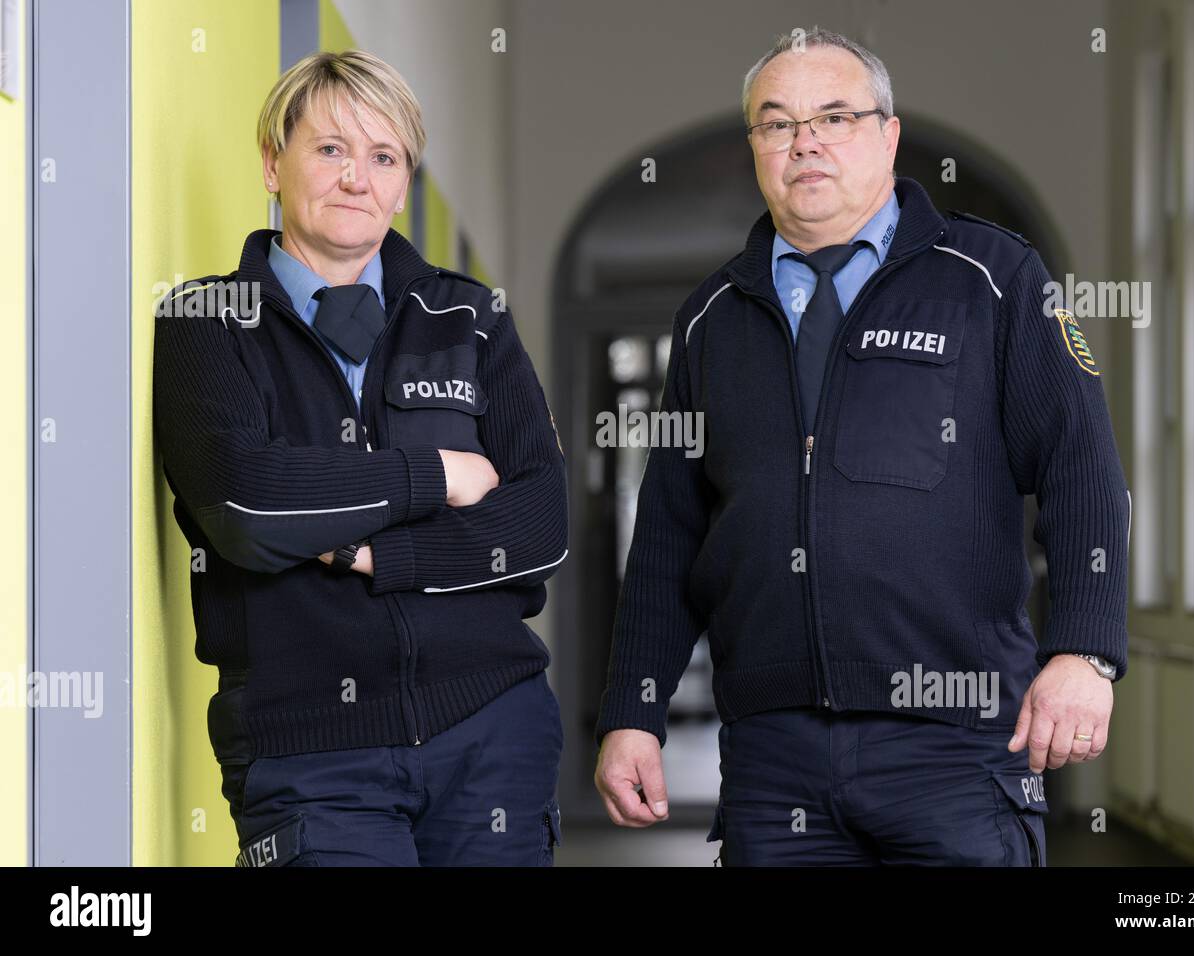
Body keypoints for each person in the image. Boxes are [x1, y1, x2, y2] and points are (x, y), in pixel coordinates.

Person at [593, 27, 1129, 866]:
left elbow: (1083, 472)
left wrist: (1086, 650)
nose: (804, 140)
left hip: (956, 744)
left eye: (834, 116)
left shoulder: (991, 280)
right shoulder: (712, 317)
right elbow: (670, 534)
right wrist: (633, 707)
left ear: (888, 134)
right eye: (776, 123)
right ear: (756, 150)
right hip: (773, 759)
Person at [153, 50, 567, 866]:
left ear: (404, 183)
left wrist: (379, 552)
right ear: (274, 163)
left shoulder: (470, 319)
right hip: (310, 755)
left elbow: (538, 521)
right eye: (331, 149)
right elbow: (247, 503)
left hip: (492, 734)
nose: (357, 178)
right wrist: (437, 476)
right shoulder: (207, 322)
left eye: (384, 158)